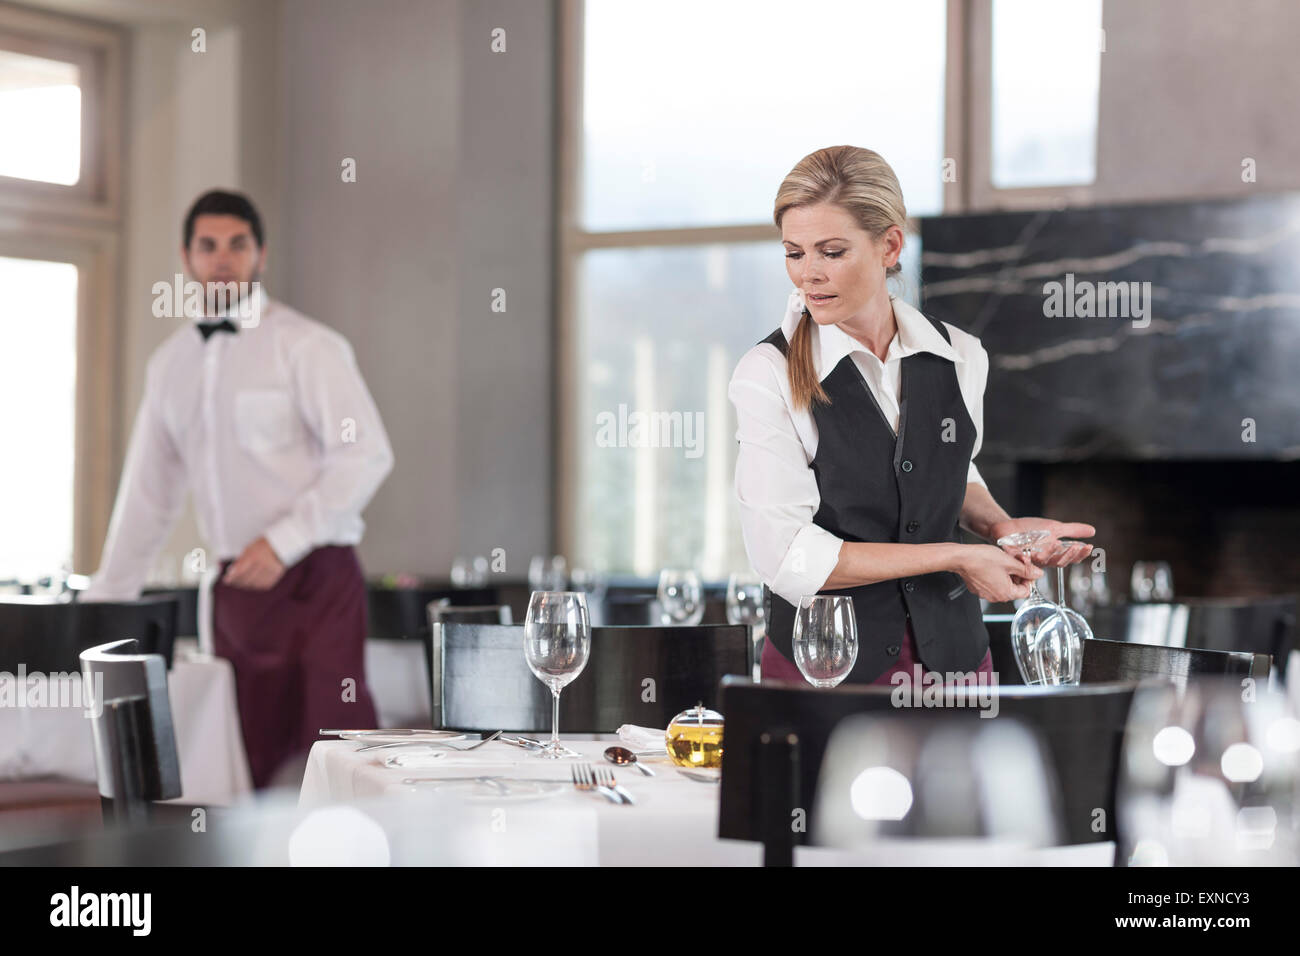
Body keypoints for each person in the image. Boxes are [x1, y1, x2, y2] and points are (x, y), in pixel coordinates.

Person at [729, 146, 1094, 685]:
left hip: (956, 666)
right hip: (826, 667)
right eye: (794, 253)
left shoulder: (962, 355)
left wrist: (1001, 527)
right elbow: (788, 557)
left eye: (831, 252)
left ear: (890, 245)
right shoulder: (768, 372)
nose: (808, 275)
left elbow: (953, 471)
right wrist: (956, 558)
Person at [84, 189, 394, 785]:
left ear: (261, 255)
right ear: (186, 258)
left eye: (237, 245)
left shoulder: (306, 345)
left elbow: (366, 453)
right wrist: (102, 608)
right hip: (237, 594)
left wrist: (284, 541)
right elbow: (148, 496)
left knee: (341, 758)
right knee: (247, 763)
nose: (222, 259)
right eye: (208, 246)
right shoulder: (168, 366)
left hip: (317, 580)